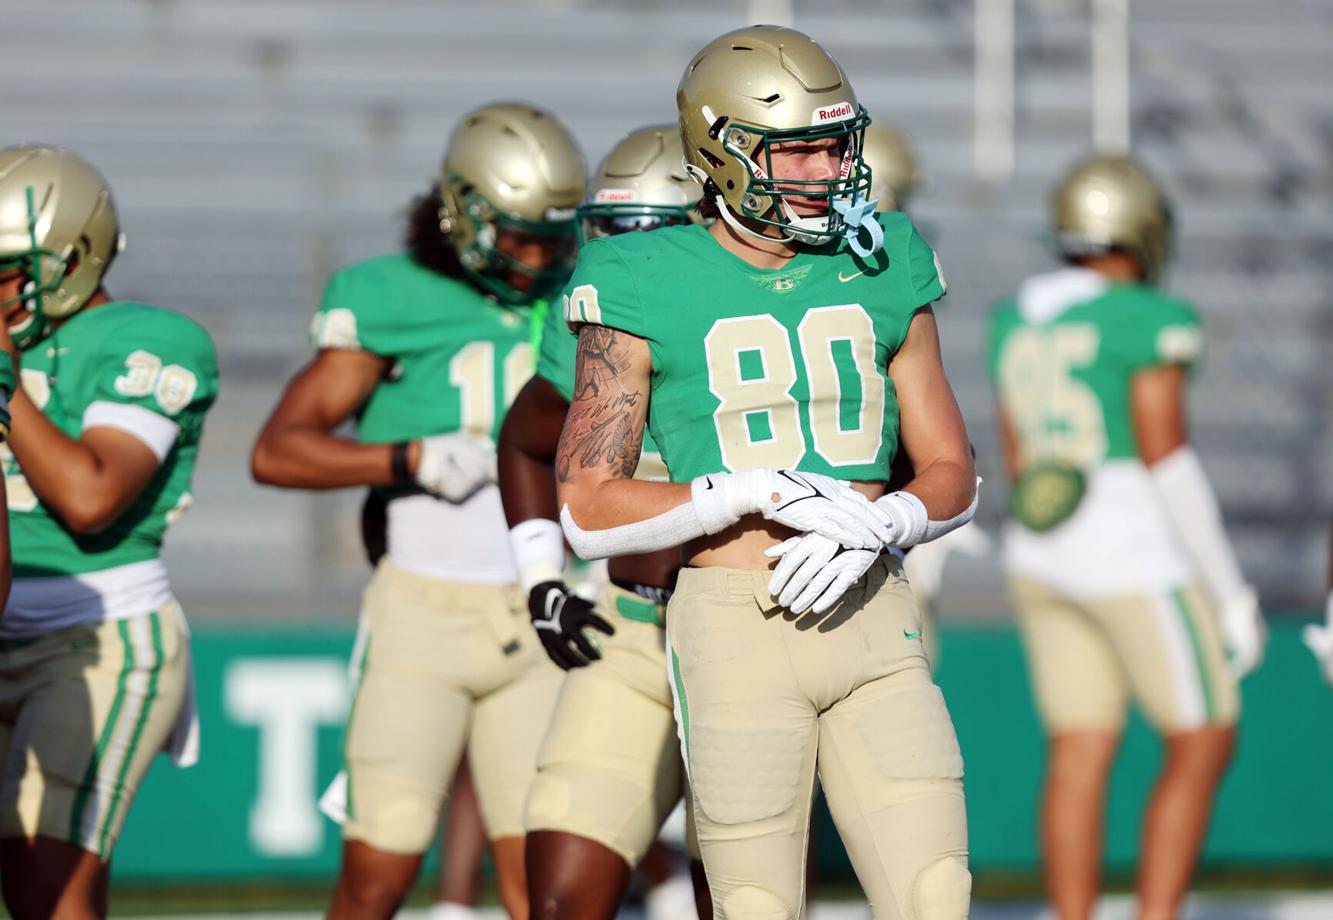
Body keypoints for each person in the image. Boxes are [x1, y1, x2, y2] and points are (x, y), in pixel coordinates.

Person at [554, 26, 977, 919]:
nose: (829, 170)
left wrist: (888, 522)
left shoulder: (885, 254)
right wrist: (746, 491)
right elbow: (588, 508)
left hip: (873, 608)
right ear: (721, 152)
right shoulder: (636, 273)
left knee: (935, 893)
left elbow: (952, 469)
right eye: (798, 151)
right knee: (752, 905)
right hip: (732, 626)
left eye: (837, 145)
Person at [251, 102, 585, 920]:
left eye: (550, 239)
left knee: (541, 885)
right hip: (421, 615)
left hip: (547, 608)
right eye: (517, 237)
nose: (536, 259)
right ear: (461, 214)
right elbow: (278, 450)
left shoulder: (583, 294)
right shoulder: (390, 295)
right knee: (379, 872)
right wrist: (409, 458)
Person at [985, 153, 1265, 920]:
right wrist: (1227, 589)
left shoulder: (1014, 317)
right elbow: (1165, 458)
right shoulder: (1146, 317)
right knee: (1203, 736)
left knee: (1079, 747)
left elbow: (1019, 461)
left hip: (1039, 551)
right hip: (1128, 554)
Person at [497, 123, 707, 919]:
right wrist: (540, 580)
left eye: (639, 232)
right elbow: (524, 439)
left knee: (740, 899)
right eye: (608, 229)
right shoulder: (594, 321)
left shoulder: (777, 309)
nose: (615, 253)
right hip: (628, 630)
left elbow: (919, 454)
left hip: (756, 636)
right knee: (558, 898)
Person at [0, 145, 214, 919]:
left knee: (44, 885)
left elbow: (91, 497)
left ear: (71, 258)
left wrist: (4, 387)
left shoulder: (146, 341)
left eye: (7, 270)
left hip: (95, 638)